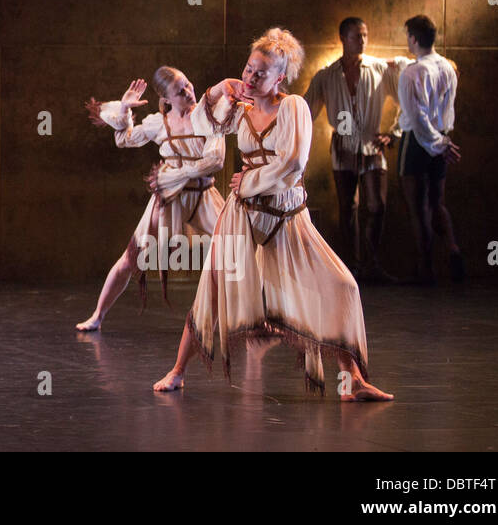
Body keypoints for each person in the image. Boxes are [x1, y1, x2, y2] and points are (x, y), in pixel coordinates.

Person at [152, 28, 392, 401]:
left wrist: (248, 181)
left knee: (341, 285)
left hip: (287, 216)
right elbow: (200, 127)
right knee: (211, 289)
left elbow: (292, 165)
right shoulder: (239, 108)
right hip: (242, 217)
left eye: (260, 73)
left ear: (279, 77)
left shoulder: (293, 107)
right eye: (248, 69)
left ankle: (352, 381)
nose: (250, 78)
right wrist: (219, 89)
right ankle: (177, 371)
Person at [76, 67, 225, 331]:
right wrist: (124, 110)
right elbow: (124, 140)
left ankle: (253, 320)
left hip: (203, 196)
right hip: (169, 197)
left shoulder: (206, 116)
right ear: (166, 99)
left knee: (238, 250)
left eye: (189, 85)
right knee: (131, 258)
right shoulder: (159, 122)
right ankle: (98, 315)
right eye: (180, 91)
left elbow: (216, 160)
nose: (189, 92)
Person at [303, 17, 410, 281]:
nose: (362, 41)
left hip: (371, 142)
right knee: (347, 206)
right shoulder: (326, 76)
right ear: (343, 39)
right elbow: (304, 112)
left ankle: (371, 264)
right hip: (343, 145)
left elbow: (405, 100)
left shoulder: (379, 68)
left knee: (377, 205)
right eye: (356, 36)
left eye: (365, 35)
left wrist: (393, 133)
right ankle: (352, 267)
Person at [396, 14, 461, 283]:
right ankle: (453, 249)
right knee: (437, 202)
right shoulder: (447, 67)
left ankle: (426, 269)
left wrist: (435, 144)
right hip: (442, 136)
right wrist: (443, 141)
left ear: (413, 38)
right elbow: (448, 112)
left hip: (417, 142)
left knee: (417, 207)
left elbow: (418, 117)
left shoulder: (412, 73)